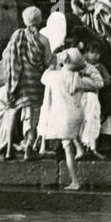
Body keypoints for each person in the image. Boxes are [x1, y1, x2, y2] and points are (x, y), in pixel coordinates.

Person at [2, 5, 53, 160]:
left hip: (17, 82)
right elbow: (48, 62)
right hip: (35, 83)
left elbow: (6, 56)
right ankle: (28, 150)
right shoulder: (44, 40)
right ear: (39, 20)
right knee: (32, 116)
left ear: (25, 20)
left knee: (13, 112)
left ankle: (8, 150)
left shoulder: (16, 35)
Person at [40, 47, 88, 190]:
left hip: (63, 116)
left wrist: (52, 65)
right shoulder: (77, 77)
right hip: (78, 113)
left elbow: (43, 78)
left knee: (67, 149)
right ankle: (80, 148)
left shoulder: (53, 76)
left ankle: (75, 181)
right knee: (73, 136)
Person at [78, 41, 108, 160]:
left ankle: (93, 148)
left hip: (93, 97)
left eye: (98, 53)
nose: (95, 56)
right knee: (83, 121)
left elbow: (106, 80)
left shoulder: (99, 67)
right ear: (86, 53)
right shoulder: (79, 65)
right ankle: (81, 148)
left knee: (93, 121)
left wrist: (95, 80)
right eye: (92, 53)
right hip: (81, 97)